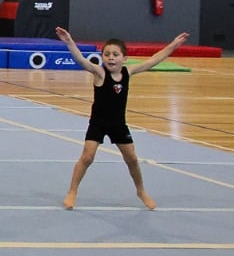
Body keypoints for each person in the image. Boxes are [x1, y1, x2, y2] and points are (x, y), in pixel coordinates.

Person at [56, 28, 188, 210]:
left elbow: (153, 60)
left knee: (132, 159)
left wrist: (173, 45)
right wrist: (69, 41)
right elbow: (81, 61)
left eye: (115, 54)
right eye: (107, 54)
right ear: (102, 57)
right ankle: (72, 192)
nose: (111, 58)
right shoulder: (100, 73)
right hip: (98, 123)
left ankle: (141, 191)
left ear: (124, 58)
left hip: (118, 124)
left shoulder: (128, 72)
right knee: (87, 157)